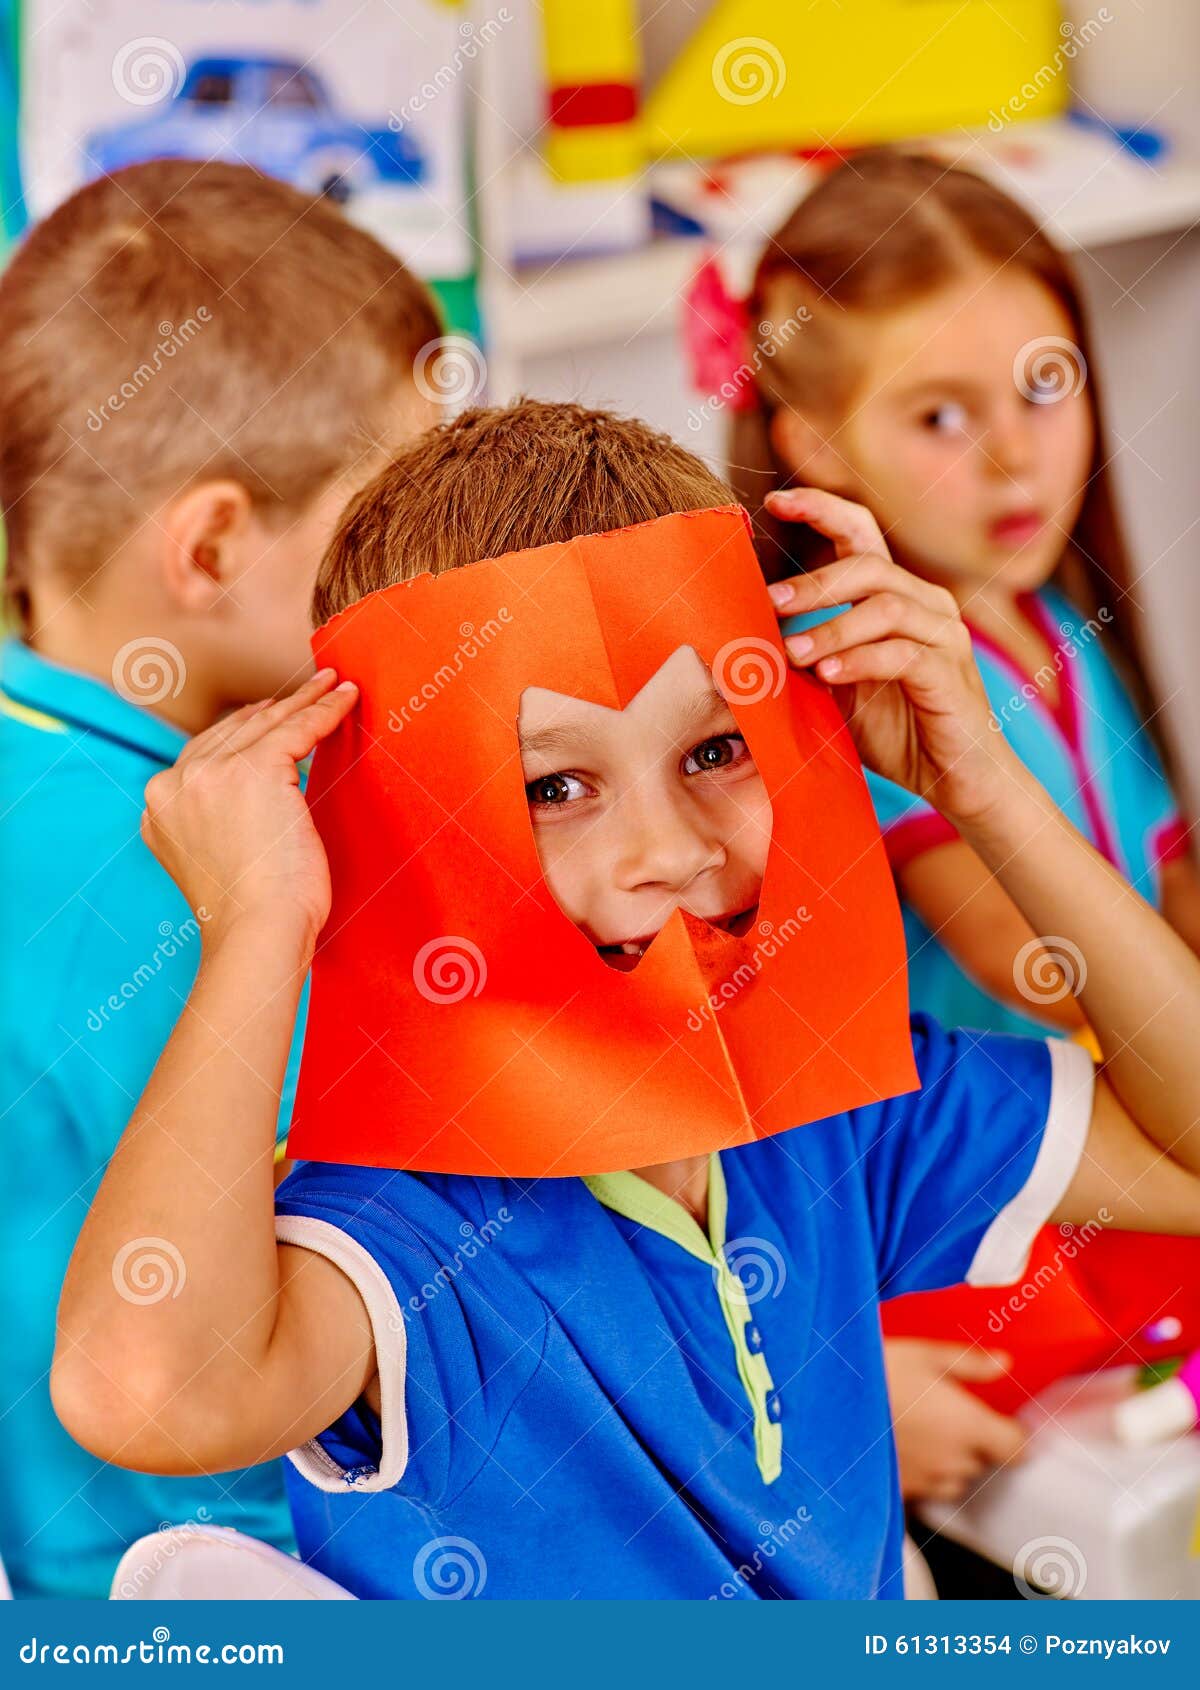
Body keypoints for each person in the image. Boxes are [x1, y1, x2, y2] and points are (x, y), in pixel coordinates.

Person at [52, 402, 1200, 1599]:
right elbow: (148, 1392)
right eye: (553, 783)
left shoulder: (839, 1108)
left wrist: (987, 787)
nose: (668, 849)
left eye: (715, 751)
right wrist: (254, 931)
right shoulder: (408, 1231)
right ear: (411, 833)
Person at [721, 148, 1200, 1505]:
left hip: (1120, 1173)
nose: (1016, 453)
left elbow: (1167, 885)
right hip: (985, 1240)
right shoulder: (869, 682)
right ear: (812, 446)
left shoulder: (1052, 630)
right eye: (941, 416)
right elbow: (1026, 958)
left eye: (1047, 388)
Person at [0, 158, 440, 1597]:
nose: (426, 579)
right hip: (212, 1574)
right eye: (385, 527)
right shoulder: (174, 877)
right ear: (209, 547)